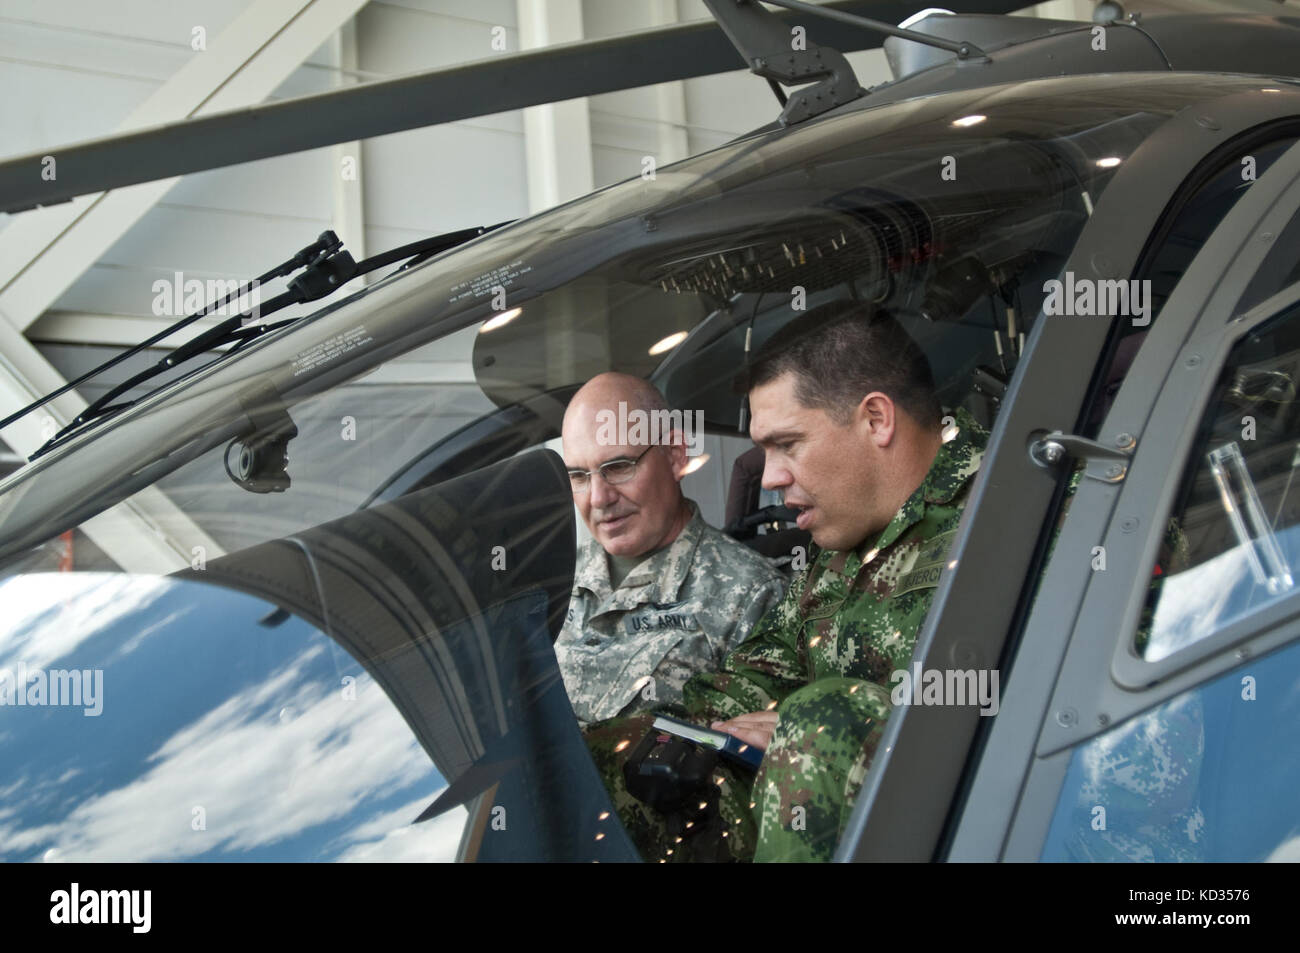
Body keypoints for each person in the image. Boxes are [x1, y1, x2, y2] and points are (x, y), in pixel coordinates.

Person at [584, 299, 990, 862]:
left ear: (876, 419)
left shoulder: (1033, 521)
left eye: (787, 444)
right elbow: (756, 675)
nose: (770, 477)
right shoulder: (839, 554)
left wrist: (829, 740)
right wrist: (661, 735)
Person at [554, 372, 785, 728]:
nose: (599, 498)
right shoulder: (552, 580)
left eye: (618, 467)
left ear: (675, 455)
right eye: (579, 477)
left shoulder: (753, 596)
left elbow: (753, 765)